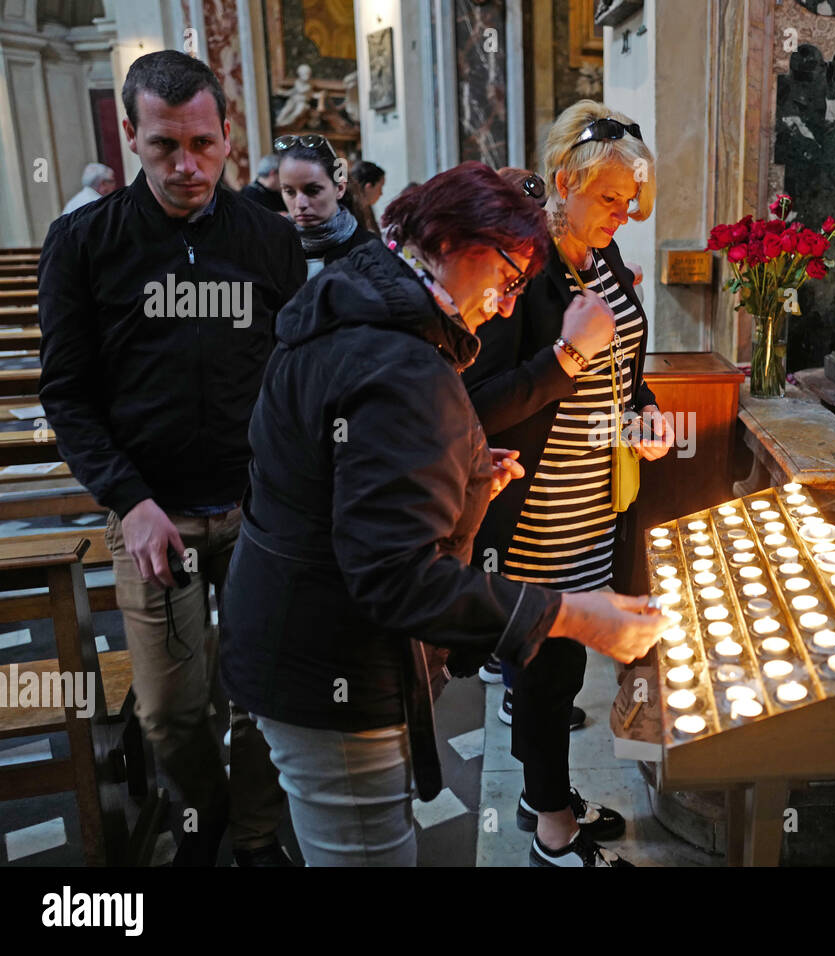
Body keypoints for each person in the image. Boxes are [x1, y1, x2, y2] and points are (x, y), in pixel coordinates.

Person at [219, 161, 662, 867]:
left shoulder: (366, 292)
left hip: (297, 634)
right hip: (329, 662)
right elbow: (397, 578)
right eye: (511, 278)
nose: (512, 303)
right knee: (368, 851)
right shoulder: (399, 360)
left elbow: (355, 479)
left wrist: (464, 477)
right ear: (456, 244)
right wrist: (576, 614)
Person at [37, 50, 305, 866]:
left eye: (202, 143)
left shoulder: (267, 238)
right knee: (169, 710)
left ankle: (256, 835)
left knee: (264, 693)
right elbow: (68, 395)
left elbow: (297, 374)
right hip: (150, 509)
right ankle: (205, 813)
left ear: (227, 133)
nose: (186, 166)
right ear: (130, 137)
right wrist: (131, 500)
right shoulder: (83, 242)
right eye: (162, 147)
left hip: (258, 509)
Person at [464, 102, 674, 868]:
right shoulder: (520, 269)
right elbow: (477, 407)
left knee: (569, 664)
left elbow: (628, 380)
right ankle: (554, 830)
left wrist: (643, 416)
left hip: (596, 505)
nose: (623, 217)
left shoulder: (605, 260)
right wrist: (568, 357)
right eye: (611, 200)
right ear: (563, 182)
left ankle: (540, 793)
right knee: (544, 671)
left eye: (631, 204)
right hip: (533, 510)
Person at [275, 134, 376, 277]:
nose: (300, 204)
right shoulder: (272, 247)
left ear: (340, 188)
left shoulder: (369, 249)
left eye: (313, 190)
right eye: (289, 192)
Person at [349, 159, 386, 233]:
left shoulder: (366, 210)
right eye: (380, 187)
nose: (381, 193)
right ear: (368, 187)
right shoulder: (350, 215)